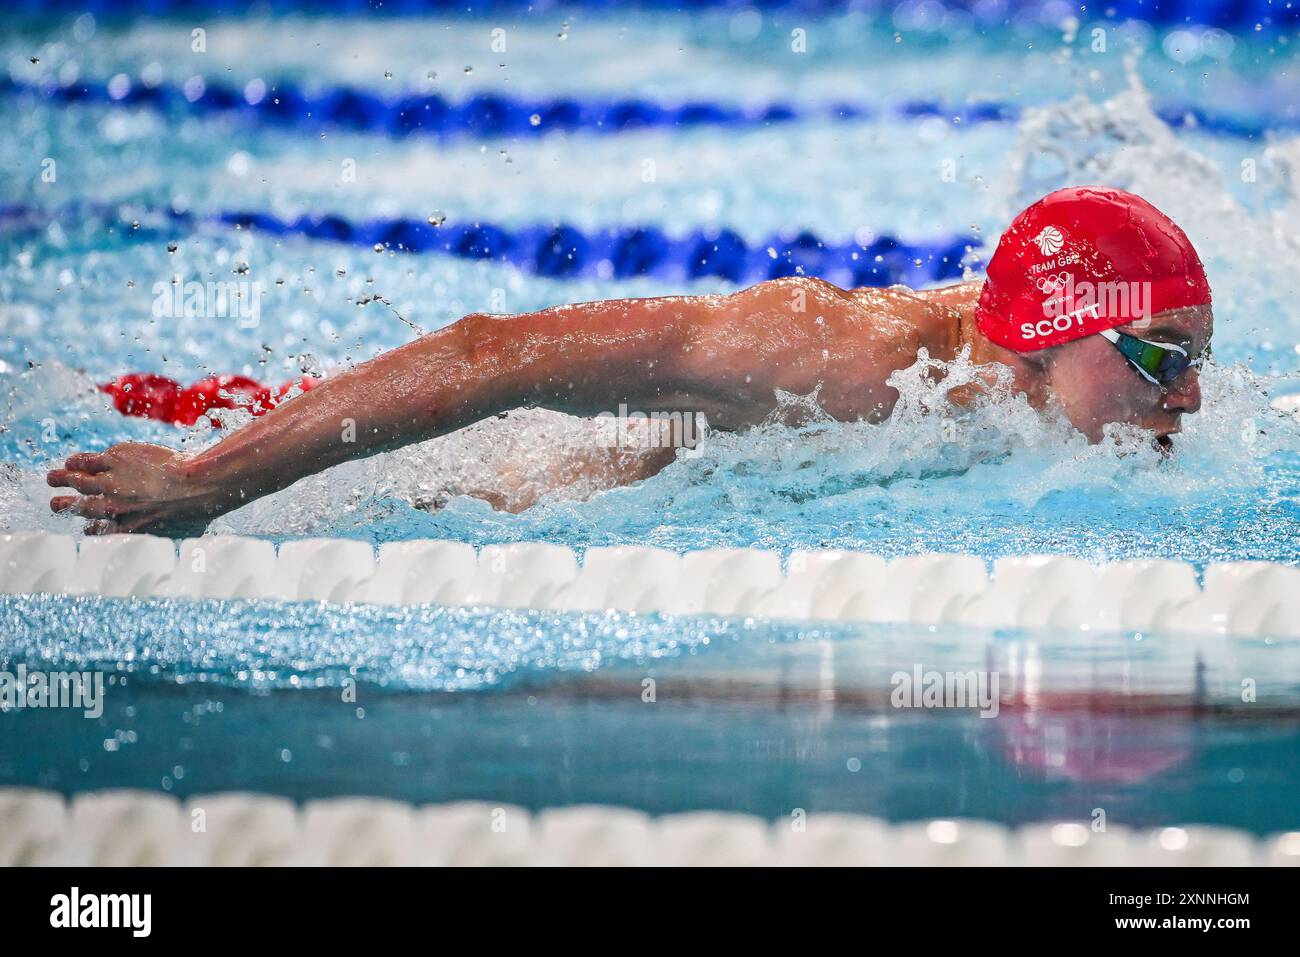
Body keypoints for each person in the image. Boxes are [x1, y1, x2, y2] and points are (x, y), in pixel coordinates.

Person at [47, 186, 1213, 536]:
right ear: (1040, 342)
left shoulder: (1049, 390)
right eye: (1162, 357)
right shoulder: (836, 358)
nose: (1192, 396)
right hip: (553, 483)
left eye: (1197, 358)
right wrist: (208, 483)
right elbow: (489, 350)